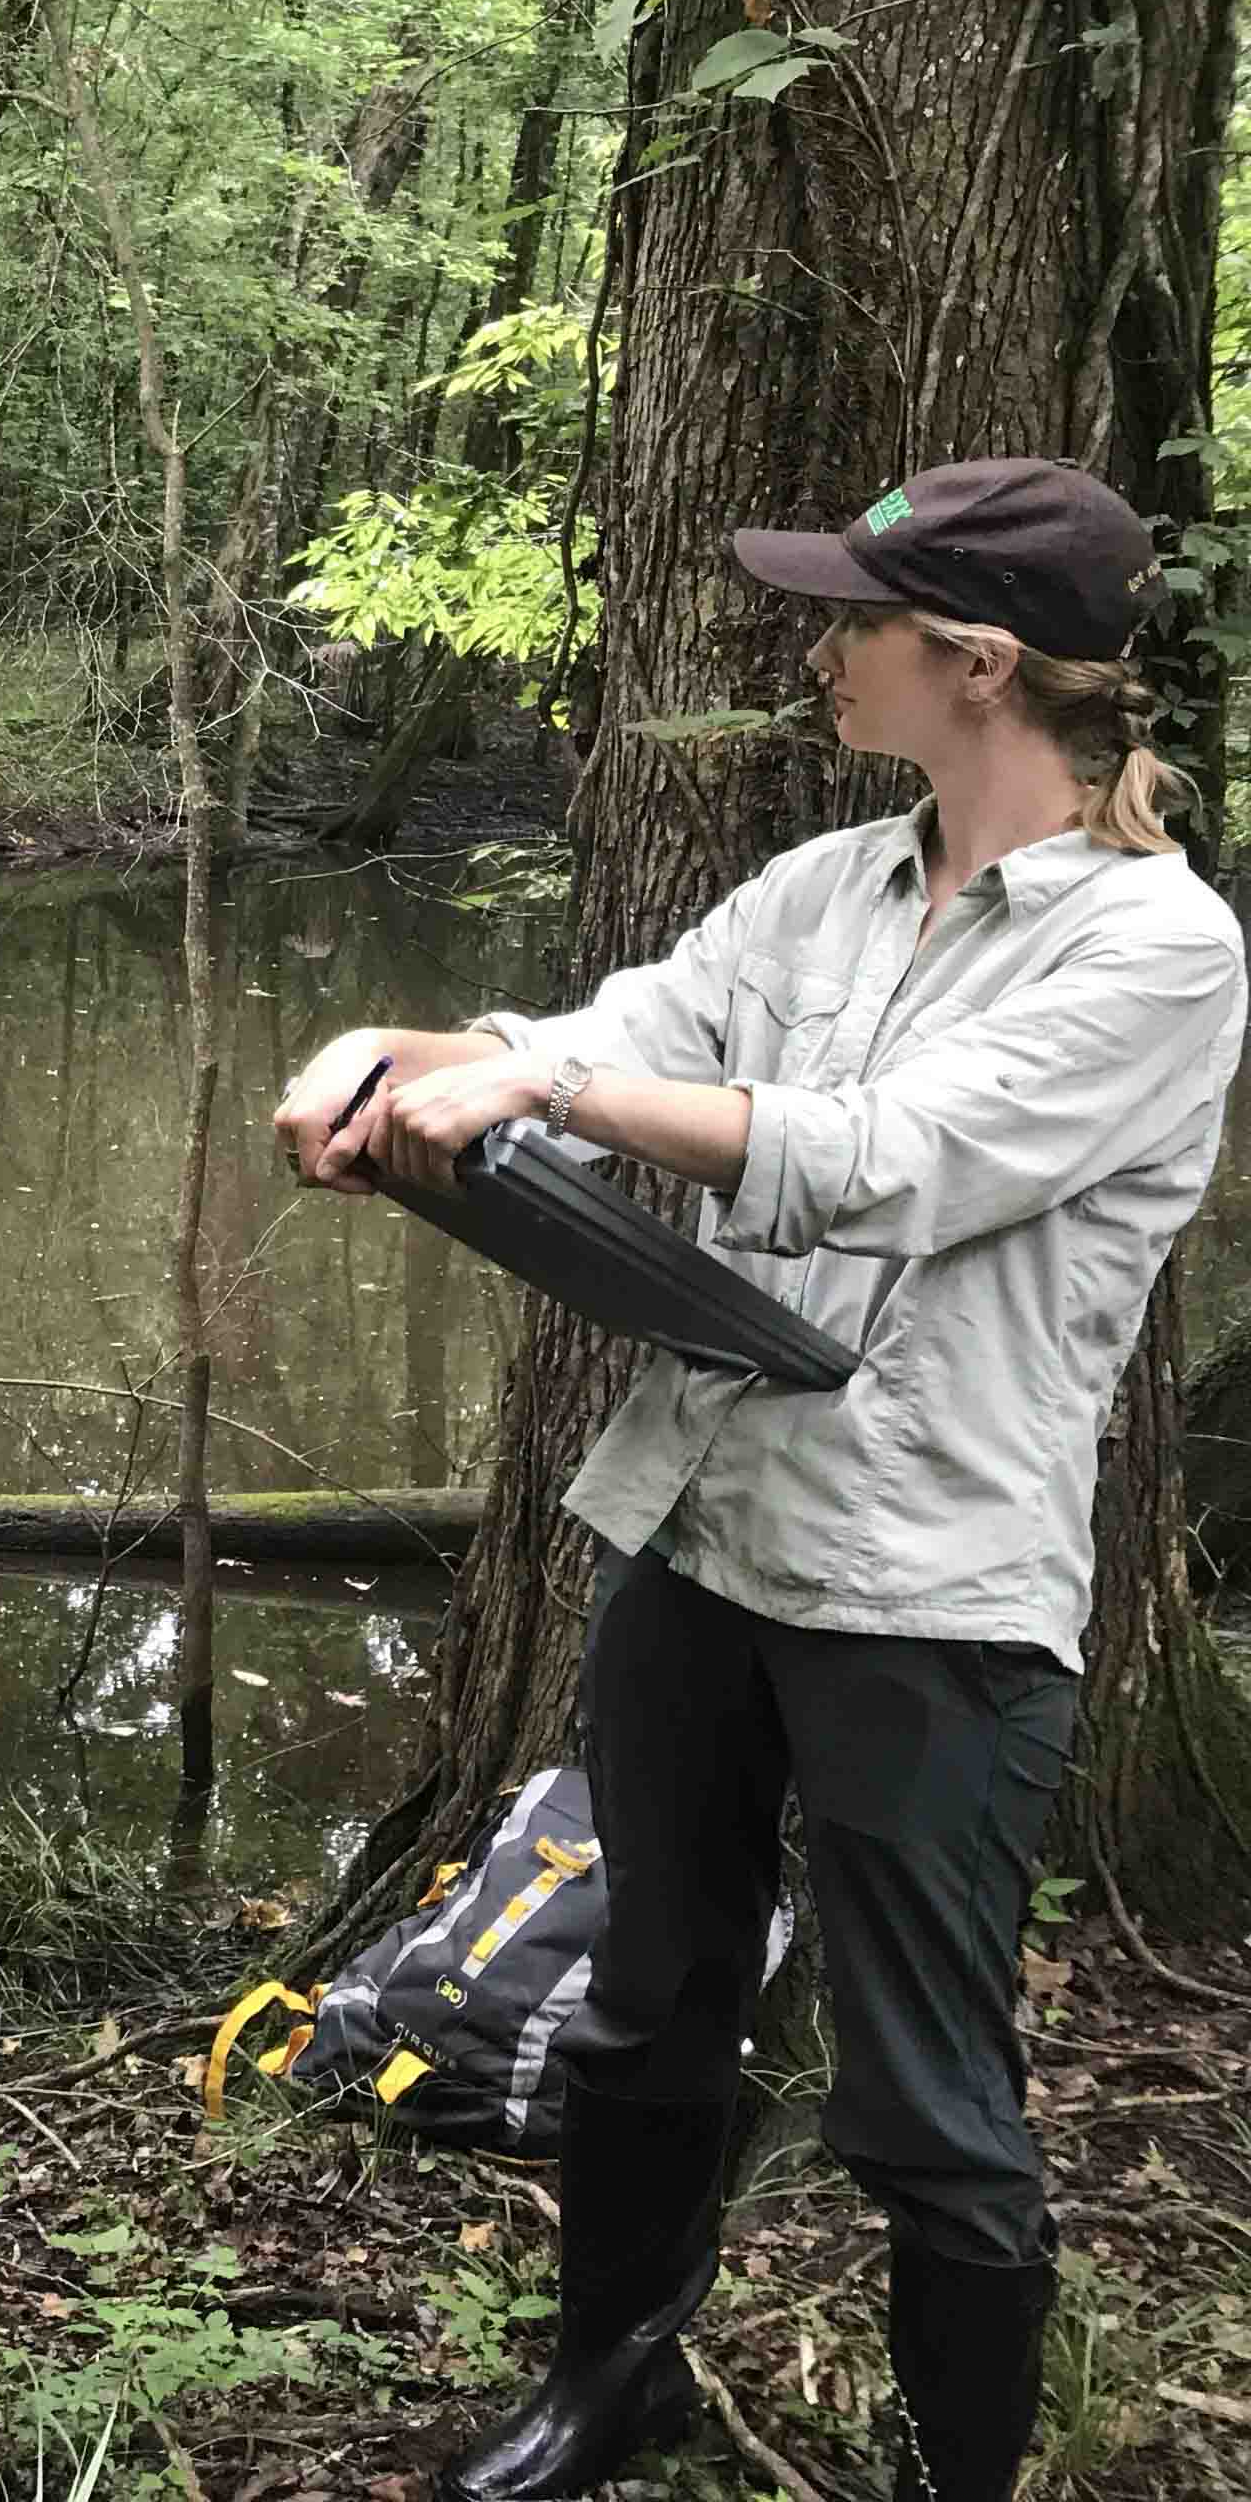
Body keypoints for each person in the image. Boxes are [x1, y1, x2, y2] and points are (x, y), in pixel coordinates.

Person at [269, 458, 1245, 2502]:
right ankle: (608, 2387)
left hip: (934, 1600)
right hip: (707, 1543)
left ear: (973, 664)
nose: (820, 648)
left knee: (924, 2104)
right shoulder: (823, 886)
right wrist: (404, 1049)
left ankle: (949, 2474)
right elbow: (624, 1032)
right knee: (646, 2011)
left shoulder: (1159, 952)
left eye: (854, 619)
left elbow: (886, 1156)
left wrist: (538, 1082)